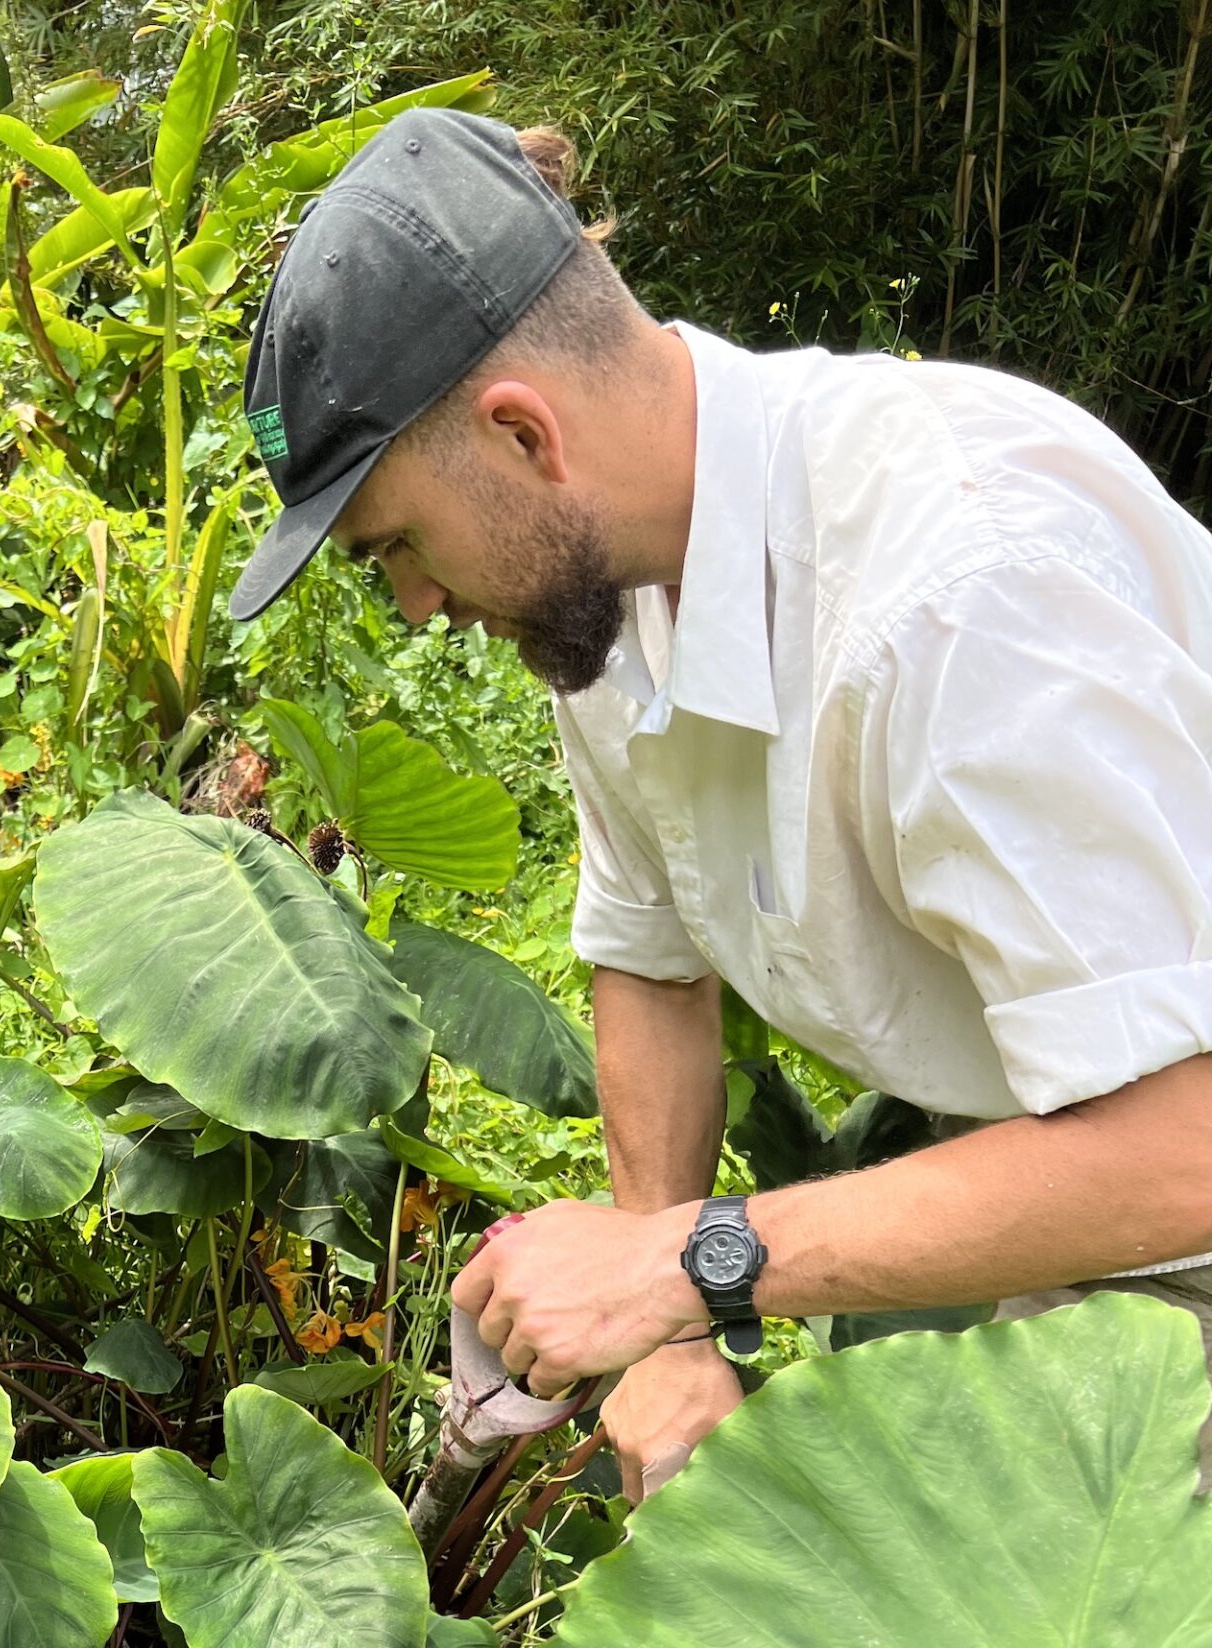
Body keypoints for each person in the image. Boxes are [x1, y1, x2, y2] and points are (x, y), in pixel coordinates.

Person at [225, 105, 1212, 1498]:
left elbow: (1188, 1146)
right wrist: (670, 1325)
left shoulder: (958, 597)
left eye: (400, 545)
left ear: (522, 435)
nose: (418, 603)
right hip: (1096, 1198)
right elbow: (650, 961)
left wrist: (695, 1266)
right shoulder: (604, 596)